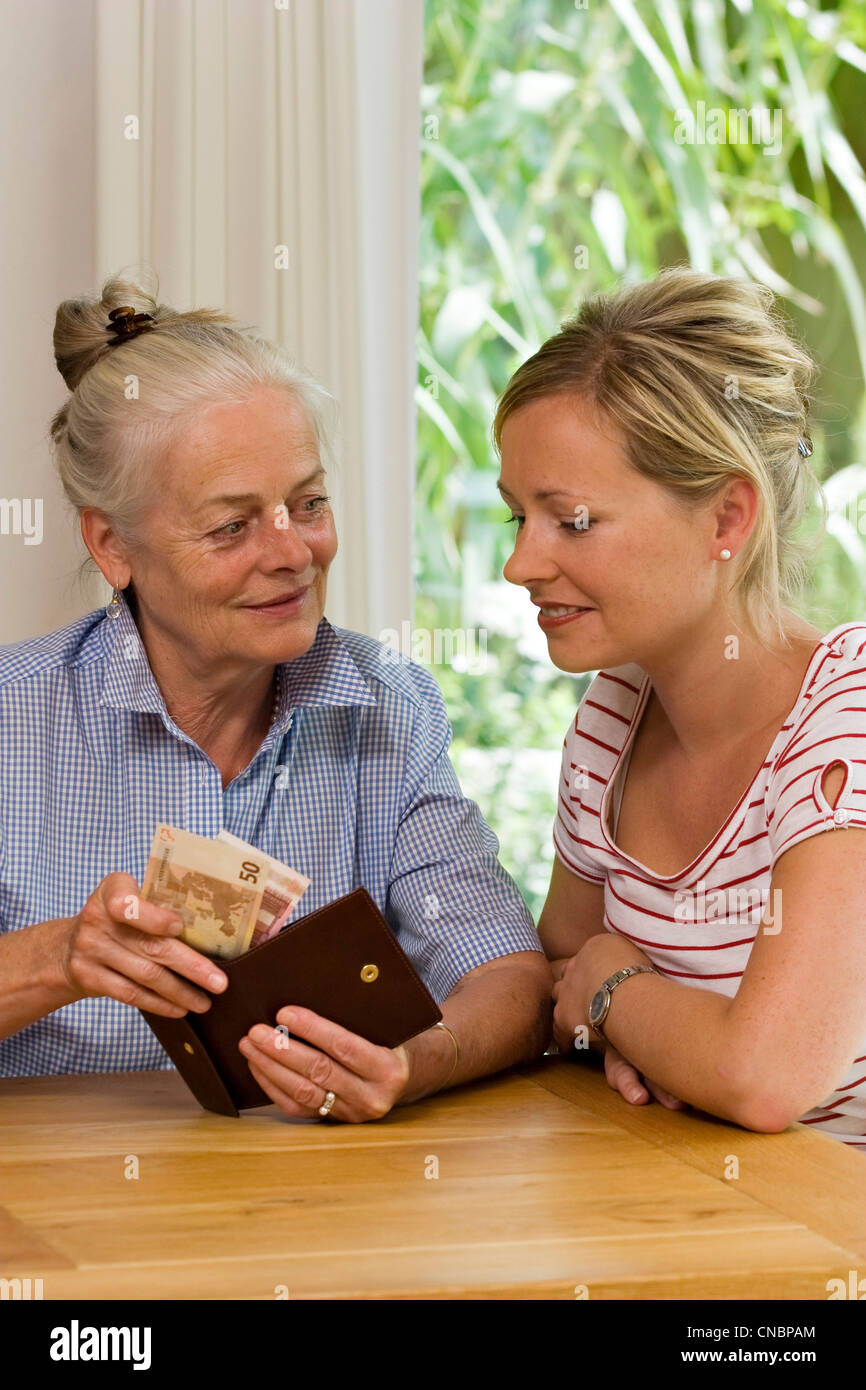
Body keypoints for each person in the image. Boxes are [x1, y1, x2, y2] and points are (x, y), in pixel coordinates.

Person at [0, 271, 550, 1123]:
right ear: (113, 545)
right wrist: (59, 958)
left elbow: (511, 979)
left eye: (309, 503)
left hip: (314, 1206)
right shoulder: (13, 719)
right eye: (232, 525)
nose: (292, 552)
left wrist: (412, 1064)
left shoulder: (390, 709)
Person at [496, 265, 866, 1151]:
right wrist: (622, 1019)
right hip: (685, 1215)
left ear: (726, 519)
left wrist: (618, 994)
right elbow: (557, 985)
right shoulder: (612, 716)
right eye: (518, 518)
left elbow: (765, 1076)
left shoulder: (847, 714)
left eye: (572, 521)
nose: (520, 565)